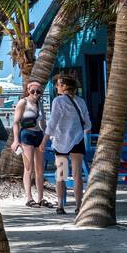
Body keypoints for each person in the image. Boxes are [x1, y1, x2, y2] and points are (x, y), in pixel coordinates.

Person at [47, 73, 92, 215]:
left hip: (61, 142)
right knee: (78, 174)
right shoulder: (81, 101)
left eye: (58, 84)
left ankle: (60, 206)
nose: (56, 87)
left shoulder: (58, 101)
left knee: (61, 174)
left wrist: (44, 140)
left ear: (64, 86)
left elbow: (52, 123)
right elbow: (88, 124)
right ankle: (79, 206)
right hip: (77, 140)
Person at [12, 81, 48, 207]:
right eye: (33, 91)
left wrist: (46, 137)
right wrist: (16, 140)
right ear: (28, 90)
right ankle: (29, 197)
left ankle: (41, 198)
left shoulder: (40, 104)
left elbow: (43, 122)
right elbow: (15, 122)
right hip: (26, 135)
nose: (35, 94)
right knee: (29, 168)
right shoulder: (23, 102)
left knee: (40, 169)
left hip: (39, 135)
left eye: (38, 91)